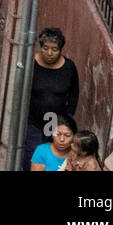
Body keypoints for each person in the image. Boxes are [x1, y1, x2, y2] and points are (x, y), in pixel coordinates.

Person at [23, 27, 80, 169]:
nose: (49, 53)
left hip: (55, 122)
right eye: (46, 48)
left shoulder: (69, 67)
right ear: (40, 47)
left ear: (60, 50)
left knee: (51, 155)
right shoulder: (31, 63)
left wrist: (68, 115)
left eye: (54, 49)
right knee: (32, 153)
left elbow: (74, 92)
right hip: (32, 119)